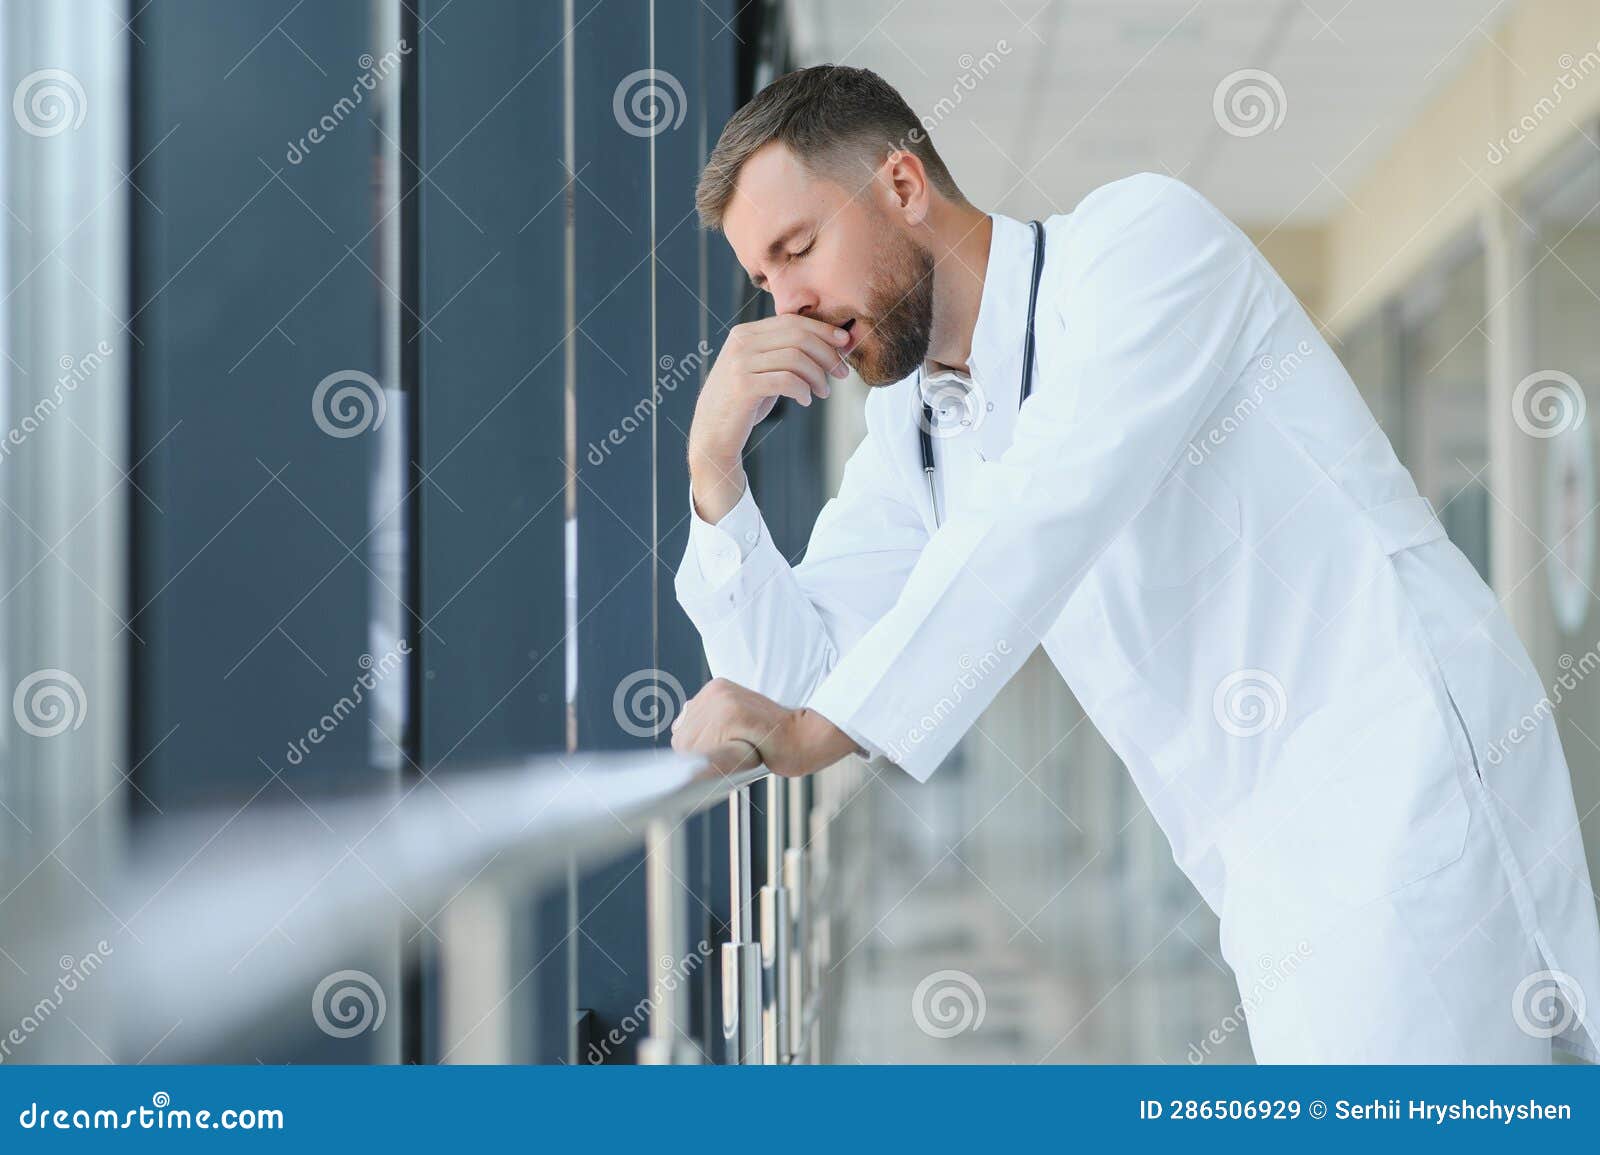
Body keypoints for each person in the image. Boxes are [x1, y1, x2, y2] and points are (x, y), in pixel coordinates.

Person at [667, 64, 1599, 1063]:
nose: (787, 307)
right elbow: (787, 686)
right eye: (762, 281)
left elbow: (1053, 501)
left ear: (902, 187)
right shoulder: (920, 423)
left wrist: (822, 729)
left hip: (1394, 764)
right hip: (1259, 851)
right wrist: (713, 468)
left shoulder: (1141, 245)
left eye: (797, 250)